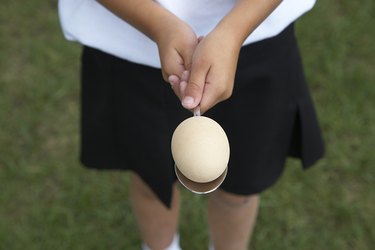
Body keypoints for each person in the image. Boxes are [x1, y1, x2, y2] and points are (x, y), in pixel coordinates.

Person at [58, 0, 324, 249]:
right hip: (131, 40)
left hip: (256, 31)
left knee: (241, 189)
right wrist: (159, 25)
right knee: (152, 181)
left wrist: (234, 31)